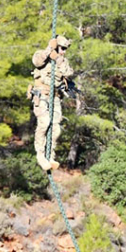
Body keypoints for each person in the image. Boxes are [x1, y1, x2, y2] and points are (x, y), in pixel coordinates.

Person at [29, 35, 75, 171]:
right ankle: (41, 155)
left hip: (55, 97)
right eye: (62, 48)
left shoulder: (62, 61)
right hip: (42, 95)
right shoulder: (41, 55)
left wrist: (58, 58)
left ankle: (51, 155)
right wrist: (49, 50)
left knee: (56, 128)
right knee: (44, 122)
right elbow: (37, 62)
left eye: (65, 49)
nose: (64, 51)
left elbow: (68, 72)